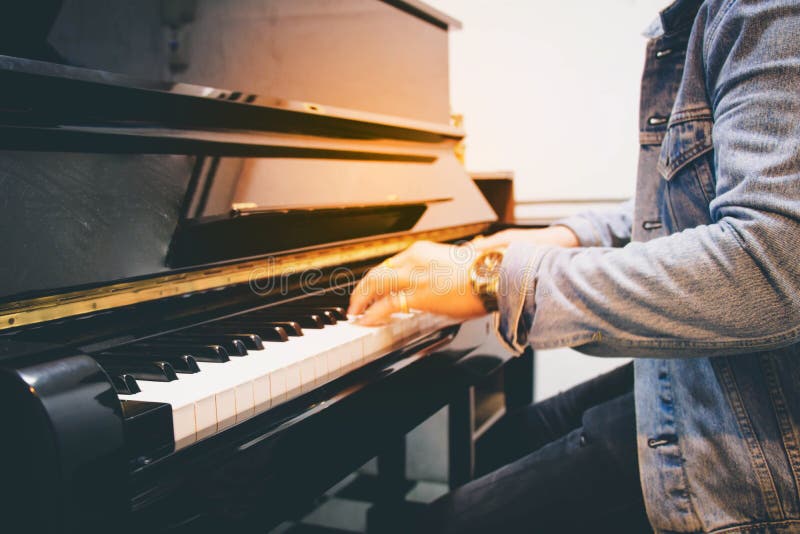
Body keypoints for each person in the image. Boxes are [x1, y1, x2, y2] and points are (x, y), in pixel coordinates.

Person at [347, 0, 800, 532]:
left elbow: (766, 267)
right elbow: (680, 202)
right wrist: (559, 235)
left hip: (760, 439)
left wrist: (489, 278)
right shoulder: (700, 18)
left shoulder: (766, 11)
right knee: (505, 440)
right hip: (721, 378)